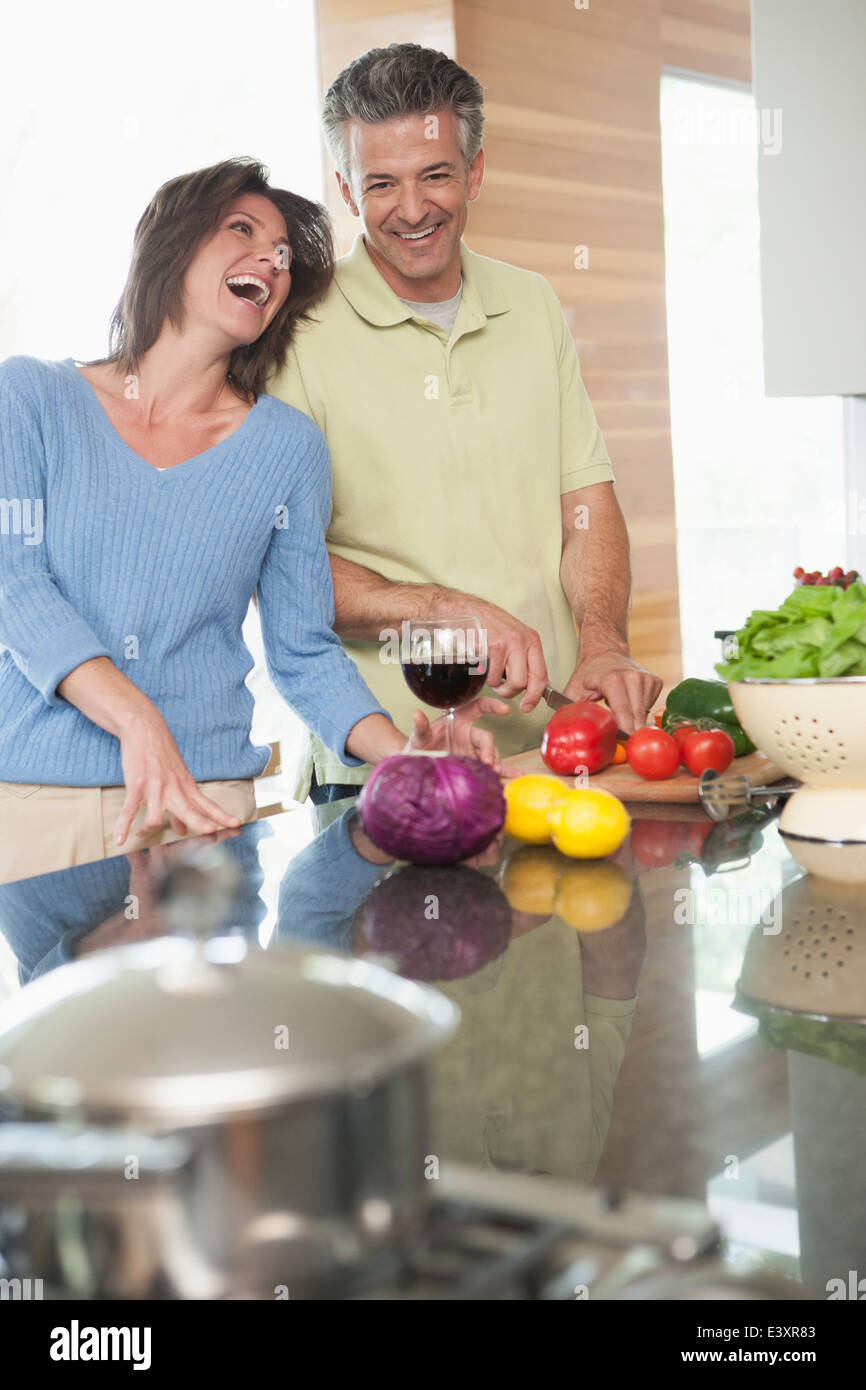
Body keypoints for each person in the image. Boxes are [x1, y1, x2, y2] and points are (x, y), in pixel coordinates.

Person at [0, 157, 505, 884]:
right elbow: (15, 585)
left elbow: (302, 651)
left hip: (203, 806)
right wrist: (138, 722)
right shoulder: (30, 399)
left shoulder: (286, 448)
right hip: (39, 803)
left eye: (283, 257)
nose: (270, 260)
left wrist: (402, 757)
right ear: (170, 246)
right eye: (242, 230)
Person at [268, 43, 664, 804]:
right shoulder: (295, 332)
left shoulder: (533, 304)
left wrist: (604, 644)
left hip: (553, 753)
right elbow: (281, 569)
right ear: (348, 190)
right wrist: (446, 609)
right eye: (380, 183)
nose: (412, 210)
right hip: (387, 766)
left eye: (436, 175)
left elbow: (585, 506)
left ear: (475, 172)